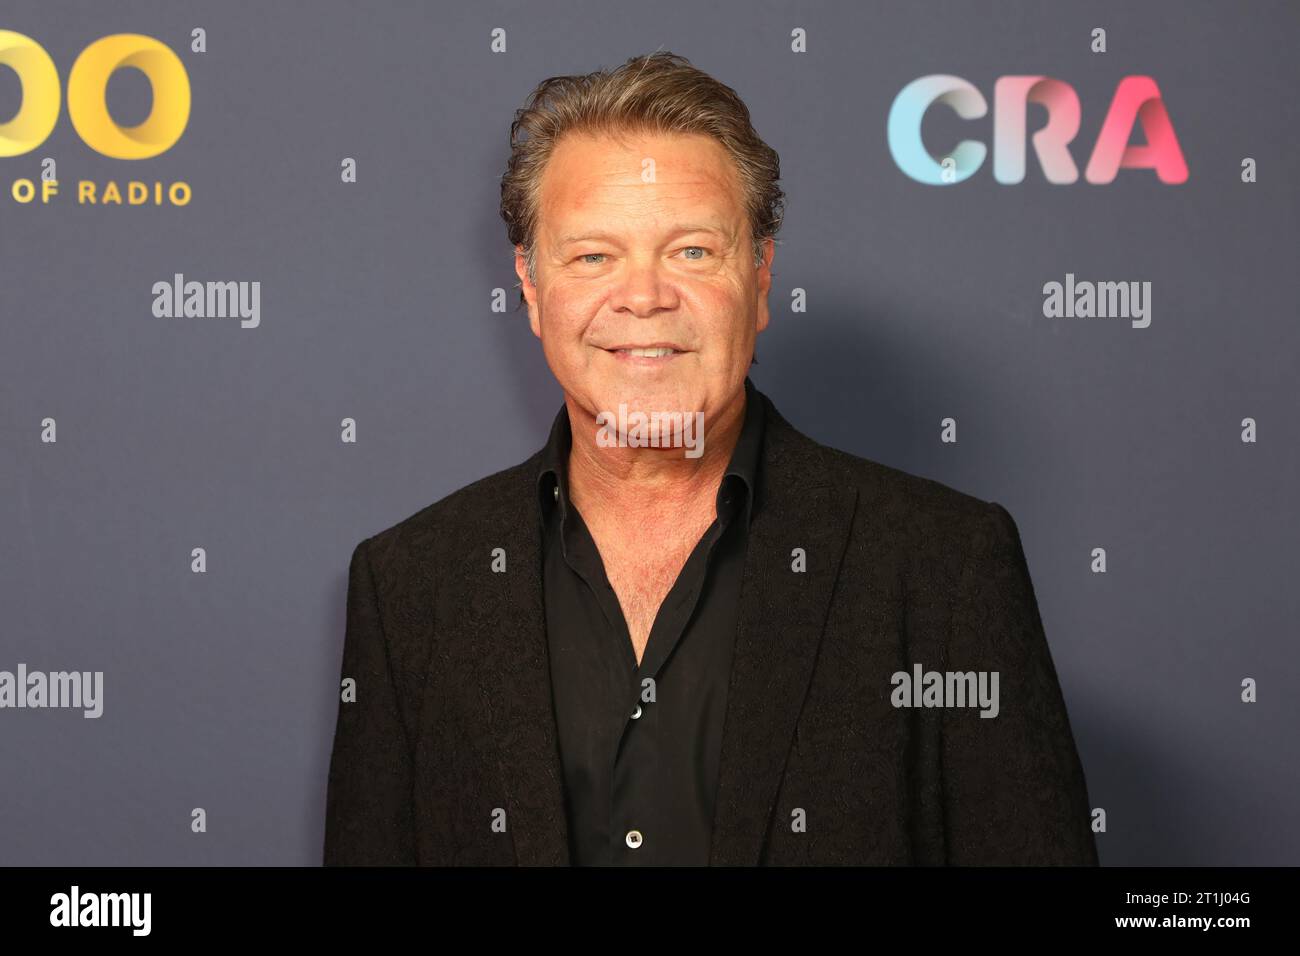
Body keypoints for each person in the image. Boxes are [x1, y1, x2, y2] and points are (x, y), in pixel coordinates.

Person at [323, 51, 1098, 866]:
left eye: (692, 251)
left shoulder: (944, 567)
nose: (645, 296)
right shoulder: (410, 586)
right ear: (530, 286)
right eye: (593, 256)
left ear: (761, 277)